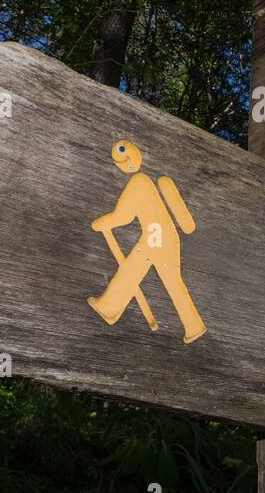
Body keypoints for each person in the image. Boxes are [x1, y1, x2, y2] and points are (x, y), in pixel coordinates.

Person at [88, 140, 206, 343]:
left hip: (155, 237)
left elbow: (123, 216)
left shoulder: (139, 182)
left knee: (132, 271)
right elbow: (186, 223)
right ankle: (193, 325)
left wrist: (101, 223)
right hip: (165, 237)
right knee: (153, 277)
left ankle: (109, 307)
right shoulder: (159, 182)